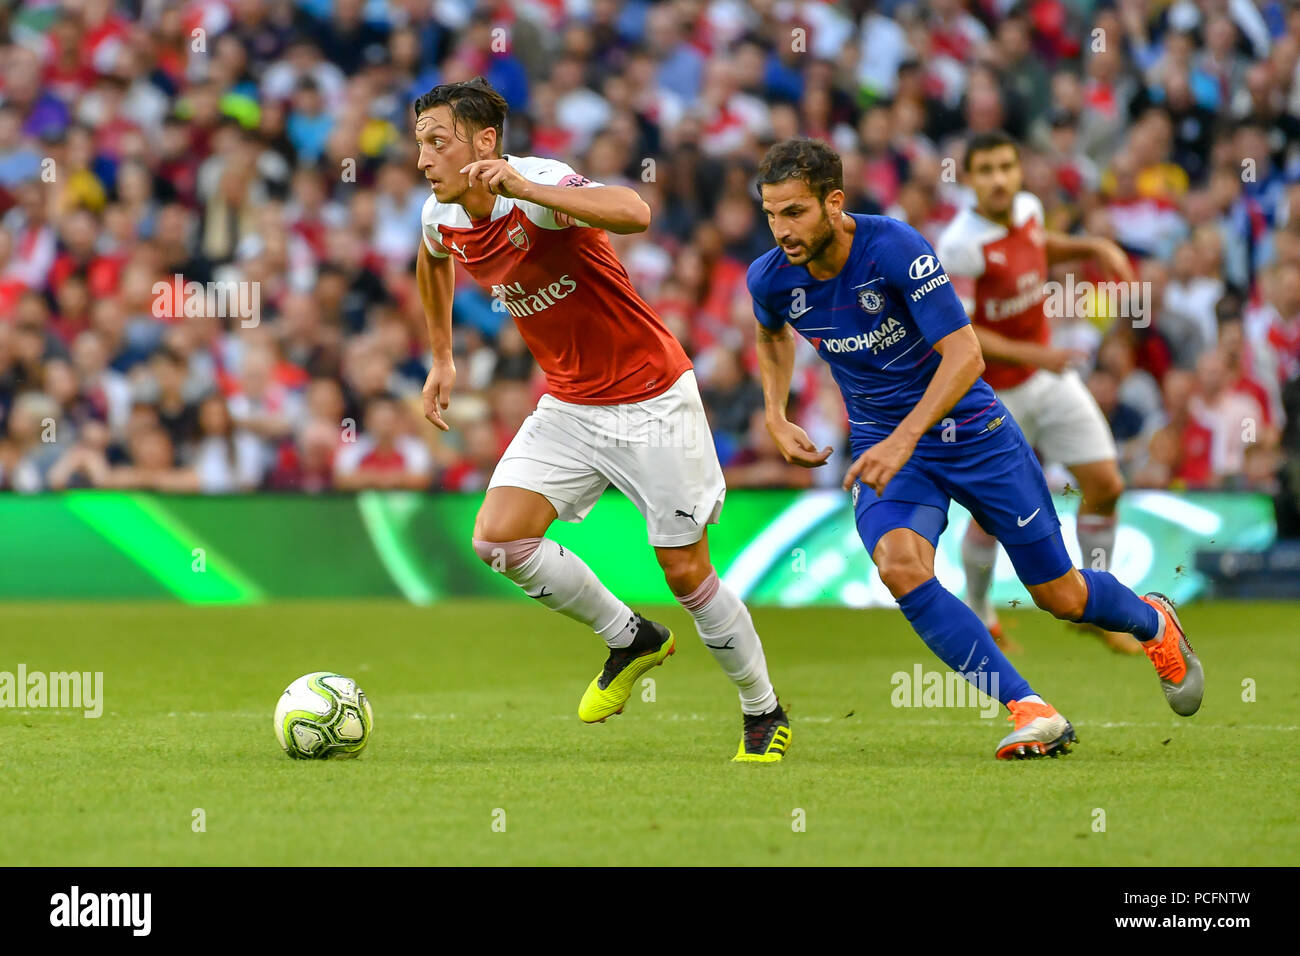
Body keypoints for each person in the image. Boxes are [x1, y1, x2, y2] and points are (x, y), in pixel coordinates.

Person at [747, 137, 1202, 760]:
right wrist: (775, 414)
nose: (781, 230)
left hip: (975, 435)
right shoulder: (770, 278)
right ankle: (1029, 708)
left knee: (1061, 597)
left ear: (834, 202)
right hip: (888, 448)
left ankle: (1154, 621)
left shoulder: (897, 248)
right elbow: (771, 336)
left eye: (794, 212)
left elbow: (966, 354)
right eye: (770, 213)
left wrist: (907, 437)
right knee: (900, 568)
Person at [412, 77, 788, 761]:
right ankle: (630, 637)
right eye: (421, 144)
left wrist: (527, 191)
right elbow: (432, 261)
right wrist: (442, 356)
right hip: (570, 404)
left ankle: (763, 710)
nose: (424, 159)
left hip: (652, 397)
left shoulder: (541, 187)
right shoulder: (440, 216)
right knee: (499, 541)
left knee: (685, 573)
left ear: (484, 142)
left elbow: (633, 211)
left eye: (437, 142)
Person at [937, 131, 1139, 654]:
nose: (999, 179)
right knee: (989, 515)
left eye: (1007, 167)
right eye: (987, 171)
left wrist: (1092, 245)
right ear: (970, 179)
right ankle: (981, 611)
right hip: (991, 396)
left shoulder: (1027, 209)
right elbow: (962, 333)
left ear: (1018, 171)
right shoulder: (960, 245)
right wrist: (1037, 356)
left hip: (1048, 378)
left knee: (1106, 483)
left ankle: (1098, 606)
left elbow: (1037, 245)